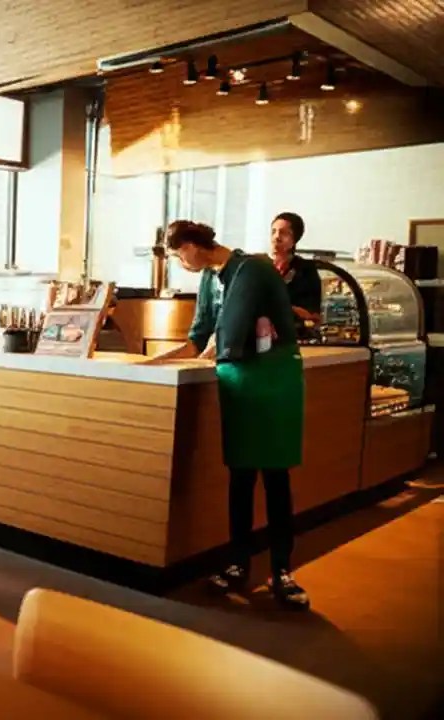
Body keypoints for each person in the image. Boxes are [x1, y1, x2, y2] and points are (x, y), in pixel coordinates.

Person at [151, 221, 310, 610]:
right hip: (236, 379)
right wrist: (151, 364)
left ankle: (281, 571)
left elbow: (228, 330)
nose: (179, 263)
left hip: (271, 377)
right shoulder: (209, 279)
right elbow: (199, 337)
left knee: (275, 475)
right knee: (240, 476)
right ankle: (238, 563)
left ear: (191, 246)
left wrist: (209, 348)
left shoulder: (252, 267)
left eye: (177, 255)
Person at [269, 212, 323, 336]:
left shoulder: (305, 270)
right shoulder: (262, 266)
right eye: (273, 231)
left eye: (283, 233)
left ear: (295, 239)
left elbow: (311, 315)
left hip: (295, 336)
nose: (276, 237)